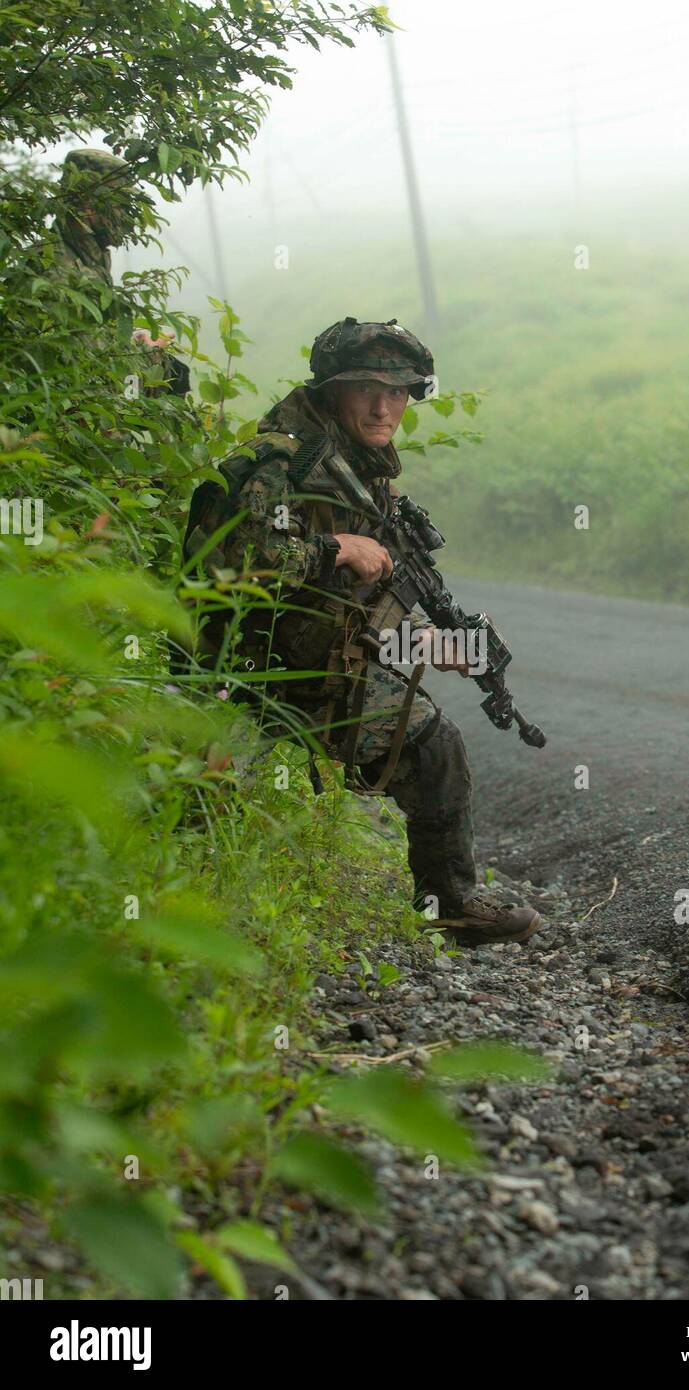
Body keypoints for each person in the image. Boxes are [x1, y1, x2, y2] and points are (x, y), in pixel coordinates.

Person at [182, 316, 541, 946]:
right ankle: (159, 923)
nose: (383, 406)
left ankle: (448, 905)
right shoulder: (276, 465)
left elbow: (356, 613)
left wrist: (427, 643)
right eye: (367, 389)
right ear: (330, 392)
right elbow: (226, 565)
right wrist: (333, 547)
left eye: (398, 392)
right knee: (188, 804)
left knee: (436, 750)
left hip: (319, 674)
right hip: (236, 672)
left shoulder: (364, 475)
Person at [53, 148, 190, 397]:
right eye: (120, 206)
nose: (128, 218)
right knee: (171, 376)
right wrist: (148, 353)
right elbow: (89, 374)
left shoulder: (89, 257)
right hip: (72, 420)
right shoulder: (57, 268)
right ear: (89, 205)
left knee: (176, 374)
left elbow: (95, 340)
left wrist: (135, 339)